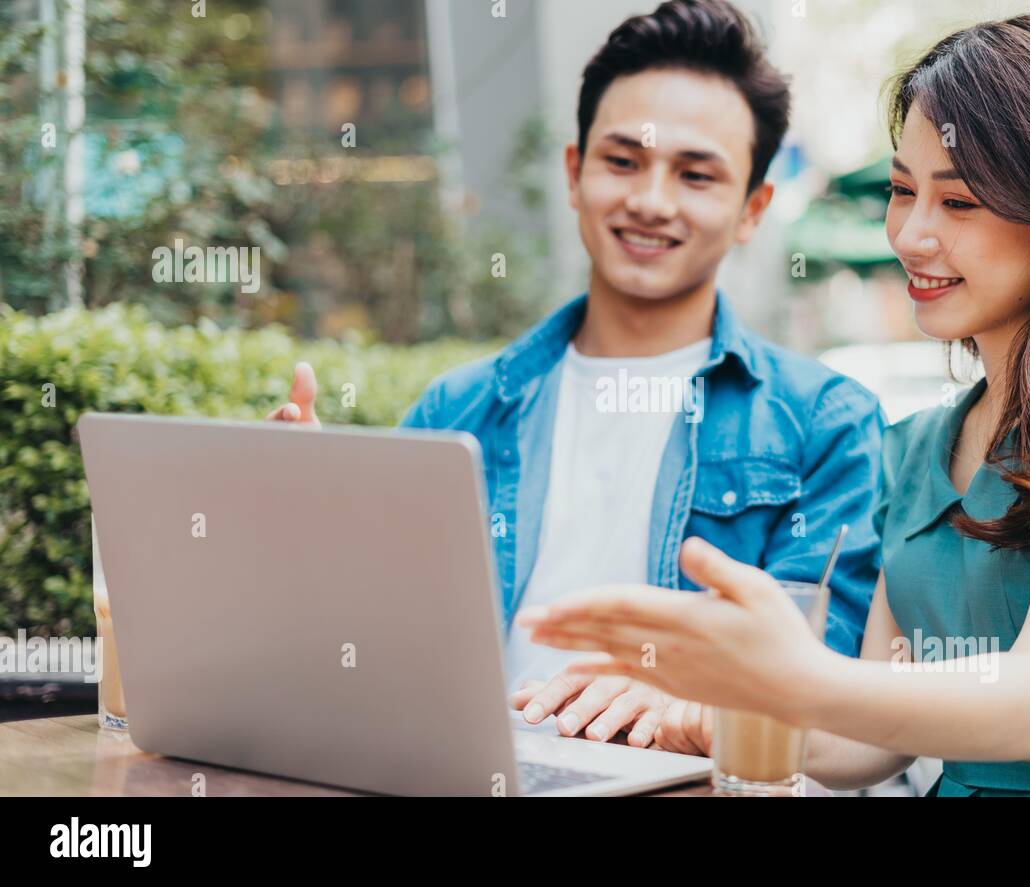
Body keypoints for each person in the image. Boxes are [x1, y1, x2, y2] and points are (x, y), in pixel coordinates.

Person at [519, 13, 1030, 796]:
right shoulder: (919, 445)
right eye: (900, 191)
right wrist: (706, 710)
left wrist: (790, 676)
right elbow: (867, 741)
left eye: (958, 204)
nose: (911, 235)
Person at [264, 0, 886, 755]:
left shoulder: (826, 424)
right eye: (622, 162)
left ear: (753, 209)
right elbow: (370, 647)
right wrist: (309, 526)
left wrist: (685, 697)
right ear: (574, 171)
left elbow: (829, 682)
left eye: (696, 174)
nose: (649, 201)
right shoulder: (459, 407)